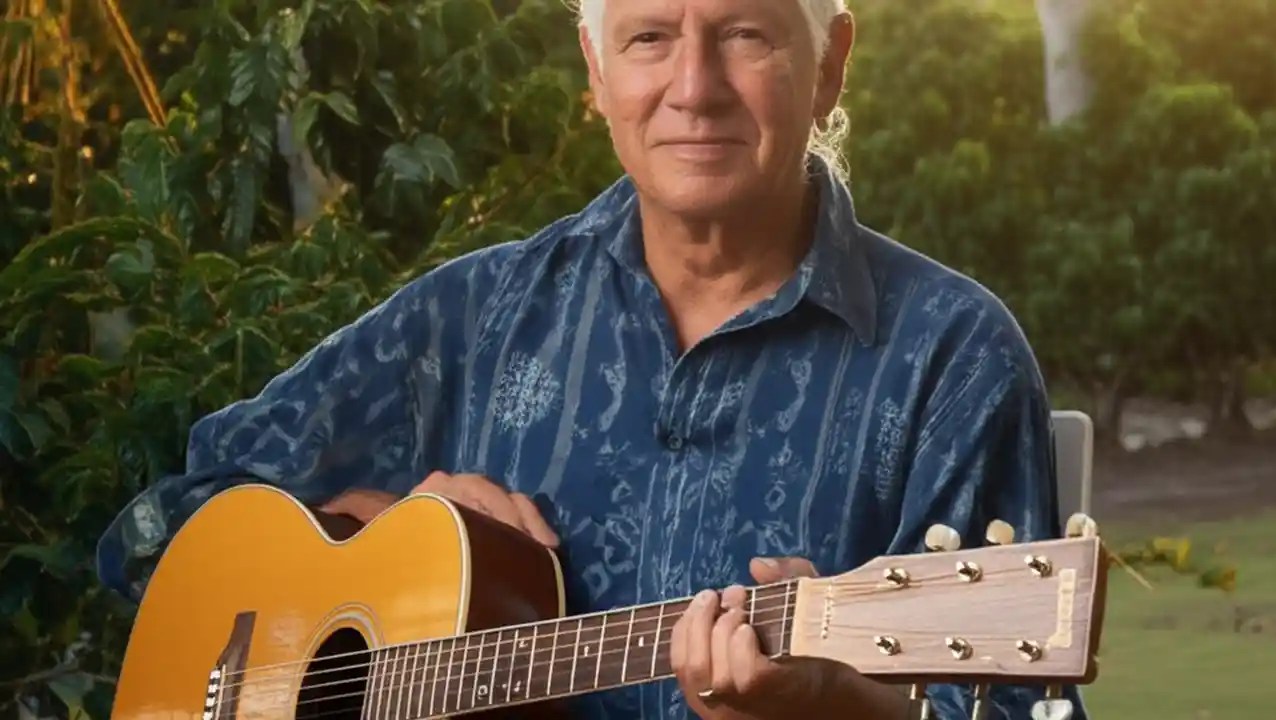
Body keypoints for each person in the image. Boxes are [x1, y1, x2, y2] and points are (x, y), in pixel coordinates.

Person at [97, 0, 1089, 718]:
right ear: (594, 71)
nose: (691, 89)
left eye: (742, 34)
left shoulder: (951, 357)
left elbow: (1013, 709)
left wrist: (834, 708)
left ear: (828, 60)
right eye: (649, 38)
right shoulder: (473, 316)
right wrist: (376, 525)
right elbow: (152, 538)